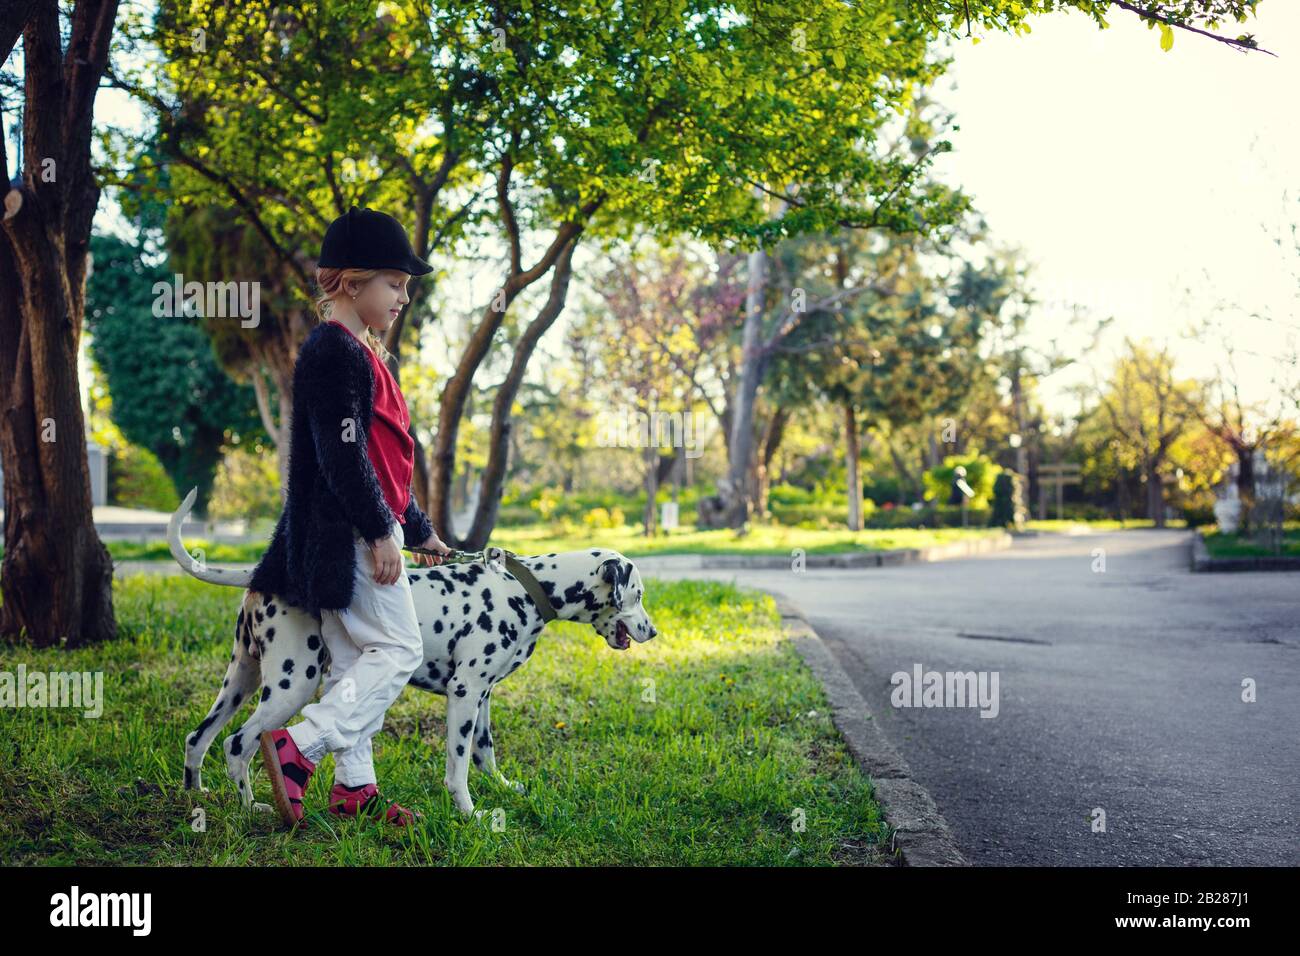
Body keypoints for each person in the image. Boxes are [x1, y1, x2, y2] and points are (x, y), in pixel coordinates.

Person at [248, 205, 452, 828]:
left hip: (354, 531)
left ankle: (354, 789)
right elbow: (343, 457)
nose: (403, 297)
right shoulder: (333, 353)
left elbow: (384, 460)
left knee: (353, 662)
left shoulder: (360, 353)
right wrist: (378, 532)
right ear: (351, 282)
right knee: (397, 649)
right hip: (344, 537)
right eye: (394, 283)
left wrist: (417, 530)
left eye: (407, 287)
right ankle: (299, 747)